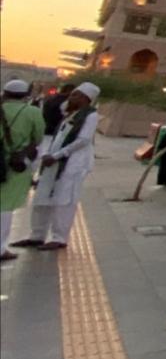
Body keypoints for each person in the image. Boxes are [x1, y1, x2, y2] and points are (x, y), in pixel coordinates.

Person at [15, 83, 100, 251]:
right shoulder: (70, 113)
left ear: (85, 98)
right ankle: (36, 235)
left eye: (75, 95)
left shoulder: (91, 115)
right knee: (42, 196)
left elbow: (83, 140)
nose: (71, 97)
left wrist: (57, 156)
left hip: (72, 164)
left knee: (64, 201)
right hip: (52, 161)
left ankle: (59, 238)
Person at [1, 79, 47, 262]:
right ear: (25, 95)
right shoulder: (32, 112)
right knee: (5, 206)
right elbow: (39, 136)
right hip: (14, 164)